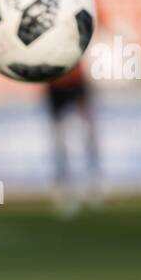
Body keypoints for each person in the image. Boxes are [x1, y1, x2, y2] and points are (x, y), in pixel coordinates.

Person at [43, 62, 100, 218]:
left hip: (76, 80)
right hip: (55, 83)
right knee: (59, 140)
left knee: (88, 134)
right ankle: (65, 189)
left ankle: (92, 184)